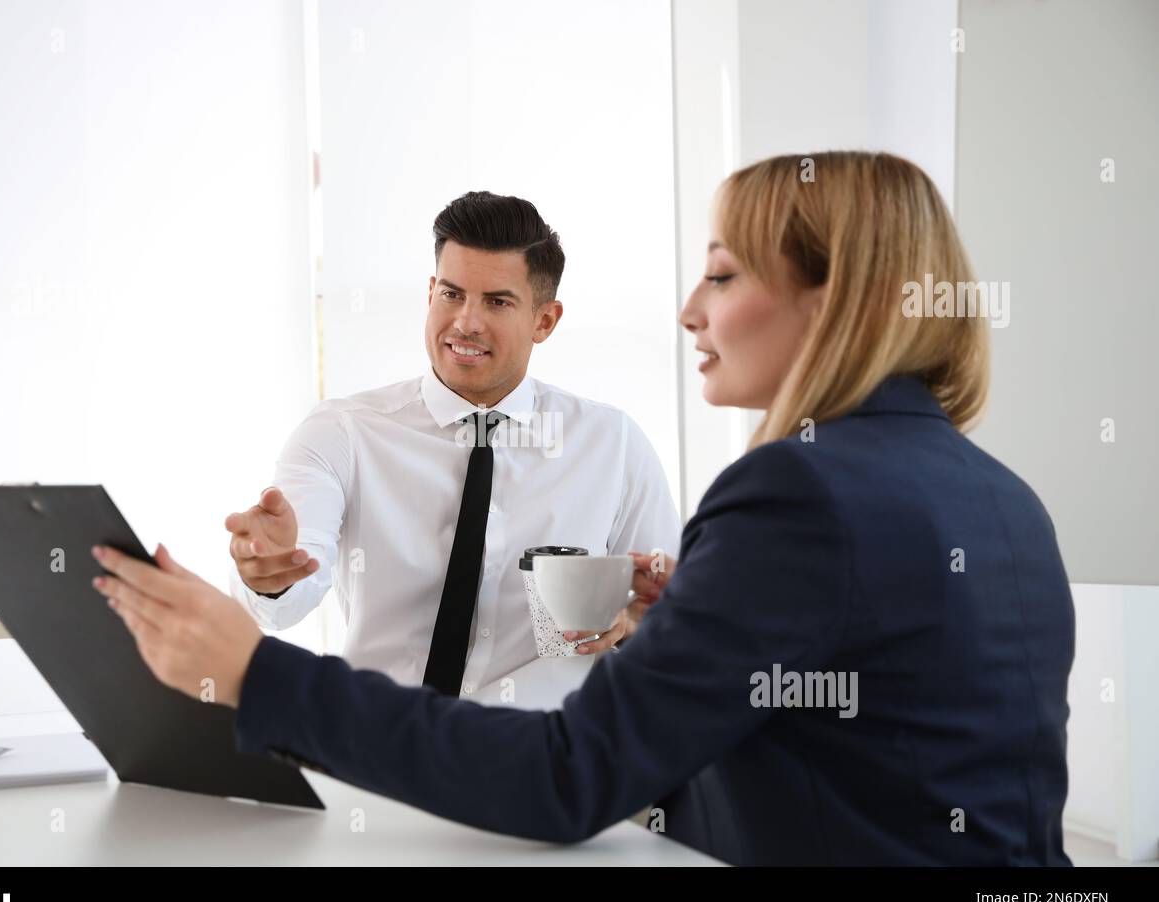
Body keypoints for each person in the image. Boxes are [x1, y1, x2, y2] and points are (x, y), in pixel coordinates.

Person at [93, 152, 1074, 865]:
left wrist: (255, 673)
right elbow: (882, 757)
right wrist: (679, 635)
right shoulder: (1002, 496)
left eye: (724, 275)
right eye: (446, 291)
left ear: (834, 301)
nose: (690, 308)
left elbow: (571, 779)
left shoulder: (795, 488)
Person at [222, 190, 679, 697]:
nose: (465, 322)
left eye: (497, 302)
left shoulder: (612, 446)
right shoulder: (342, 433)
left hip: (544, 756)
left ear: (544, 321)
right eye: (452, 294)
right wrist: (272, 571)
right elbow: (285, 596)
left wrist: (634, 624)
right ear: (431, 293)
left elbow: (672, 619)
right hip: (381, 749)